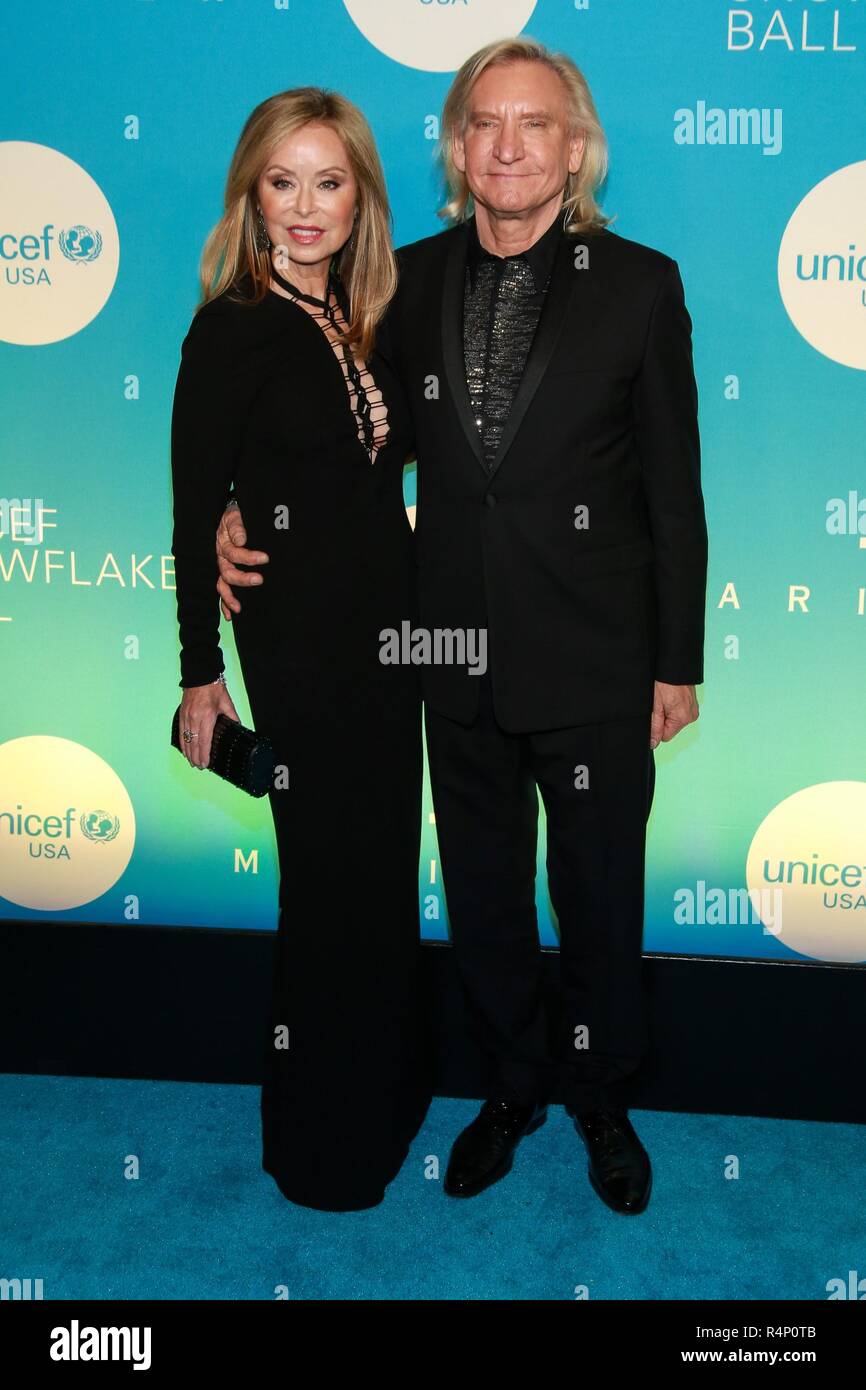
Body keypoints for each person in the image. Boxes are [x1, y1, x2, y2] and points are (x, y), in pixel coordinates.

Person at [214, 39, 708, 1215]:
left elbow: (674, 492)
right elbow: (328, 423)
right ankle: (510, 1087)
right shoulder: (404, 283)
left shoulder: (640, 284)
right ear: (455, 147)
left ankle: (597, 1095)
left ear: (572, 146)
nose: (505, 144)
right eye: (482, 122)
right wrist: (234, 501)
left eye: (532, 123)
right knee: (484, 893)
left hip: (595, 658)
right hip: (445, 656)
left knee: (594, 891)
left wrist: (675, 661)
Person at [169, 87, 432, 1212]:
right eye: (283, 182)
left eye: (329, 181)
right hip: (302, 655)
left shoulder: (371, 313)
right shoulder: (231, 325)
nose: (306, 206)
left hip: (391, 648)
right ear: (251, 194)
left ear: (360, 193)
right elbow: (193, 514)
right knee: (326, 889)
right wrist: (198, 677)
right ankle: (321, 1148)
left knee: (376, 881)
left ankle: (386, 1097)